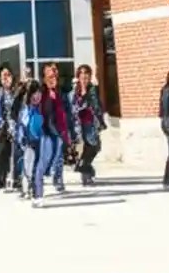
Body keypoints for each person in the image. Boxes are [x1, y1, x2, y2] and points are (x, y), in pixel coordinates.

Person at [17, 80, 58, 208]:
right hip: (30, 144)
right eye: (34, 94)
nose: (37, 96)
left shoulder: (43, 109)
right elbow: (22, 127)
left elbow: (49, 124)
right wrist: (22, 140)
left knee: (38, 170)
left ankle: (37, 195)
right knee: (29, 169)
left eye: (39, 93)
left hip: (42, 142)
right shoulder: (26, 110)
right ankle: (29, 190)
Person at [70, 64, 107, 187]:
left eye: (87, 77)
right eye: (82, 77)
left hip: (91, 124)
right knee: (84, 151)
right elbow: (72, 107)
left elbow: (98, 106)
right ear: (78, 77)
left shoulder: (94, 90)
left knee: (94, 148)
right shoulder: (75, 92)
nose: (84, 79)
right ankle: (87, 176)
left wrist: (101, 120)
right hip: (79, 126)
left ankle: (86, 170)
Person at [38, 63, 71, 193]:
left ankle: (58, 179)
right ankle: (37, 180)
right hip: (44, 128)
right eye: (49, 75)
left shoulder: (61, 92)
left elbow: (67, 111)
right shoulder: (41, 92)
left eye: (54, 74)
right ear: (44, 77)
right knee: (45, 156)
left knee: (59, 155)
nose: (52, 77)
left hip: (59, 128)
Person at [0, 64, 21, 194]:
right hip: (1, 127)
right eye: (3, 76)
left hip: (15, 127)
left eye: (8, 75)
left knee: (15, 154)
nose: (6, 78)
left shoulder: (17, 92)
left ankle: (15, 179)